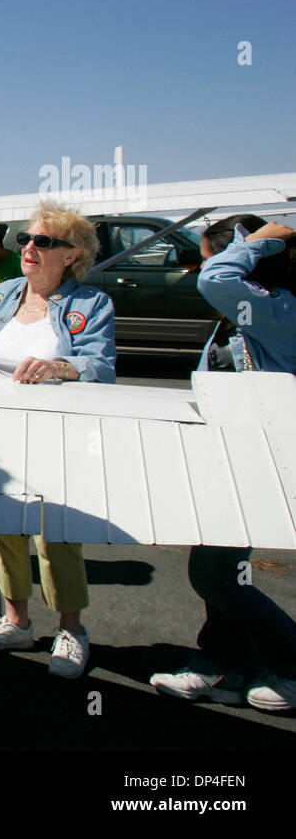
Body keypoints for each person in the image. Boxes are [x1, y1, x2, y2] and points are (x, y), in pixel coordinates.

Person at [0, 201, 115, 678]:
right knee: (2, 527)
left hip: (58, 437)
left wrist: (59, 368)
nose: (28, 248)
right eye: (26, 239)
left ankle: (71, 628)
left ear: (72, 255)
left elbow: (101, 366)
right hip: (0, 435)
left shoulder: (91, 304)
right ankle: (15, 620)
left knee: (57, 537)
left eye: (43, 242)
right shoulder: (1, 295)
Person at [149, 215, 296, 710]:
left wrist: (258, 242)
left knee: (213, 574)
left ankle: (292, 661)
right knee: (225, 570)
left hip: (264, 458)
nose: (202, 268)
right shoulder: (257, 310)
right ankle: (224, 665)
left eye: (208, 254)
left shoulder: (277, 310)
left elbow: (217, 279)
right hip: (232, 454)